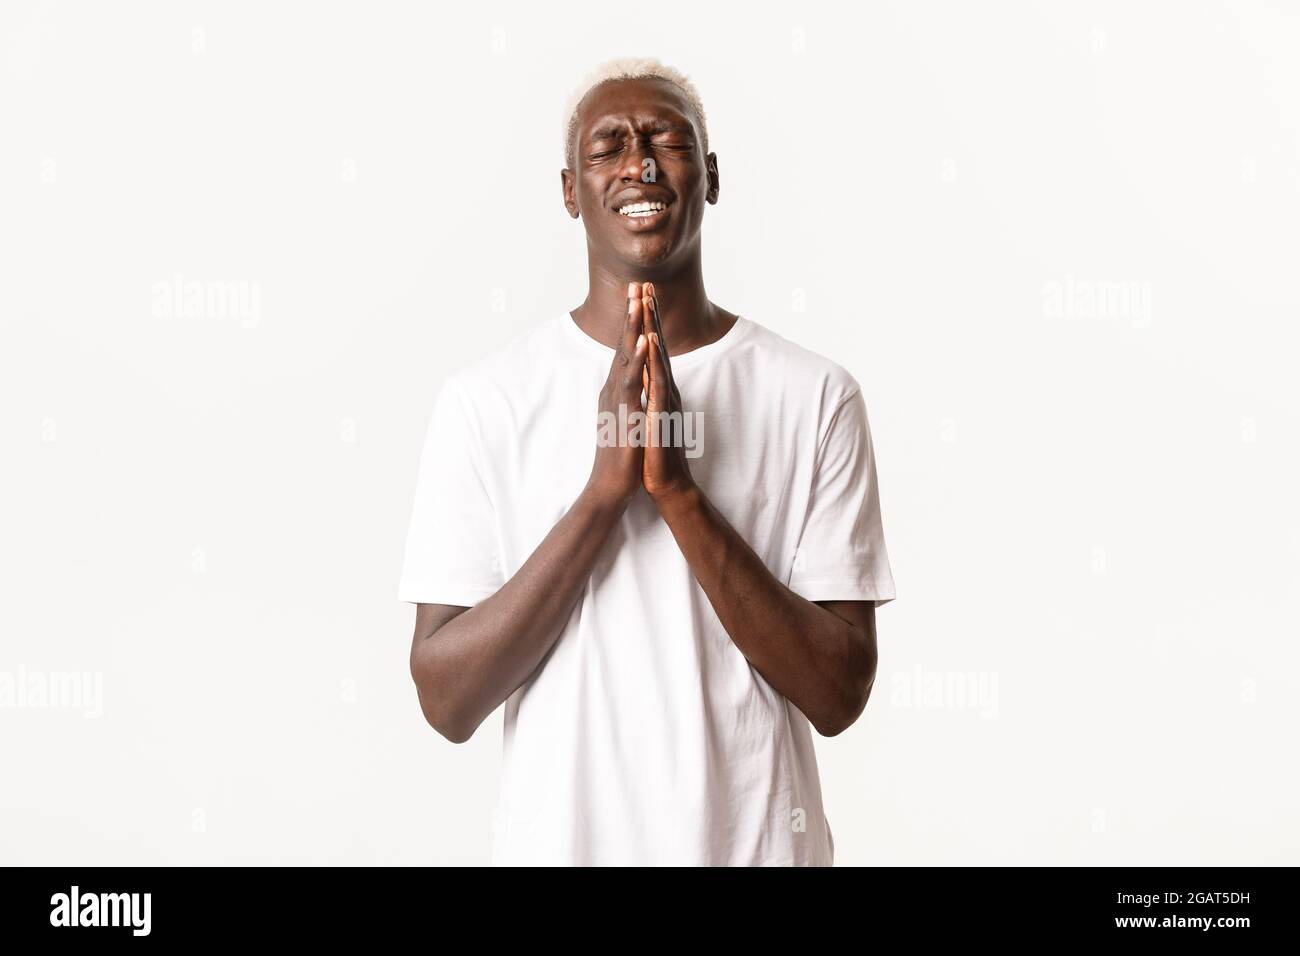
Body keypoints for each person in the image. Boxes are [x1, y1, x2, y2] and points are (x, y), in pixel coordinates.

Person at [400, 58, 896, 866]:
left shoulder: (816, 396)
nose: (640, 162)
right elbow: (445, 699)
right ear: (570, 191)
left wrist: (679, 495)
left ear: (711, 177)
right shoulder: (484, 401)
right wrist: (603, 493)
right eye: (609, 146)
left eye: (667, 138)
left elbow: (839, 694)